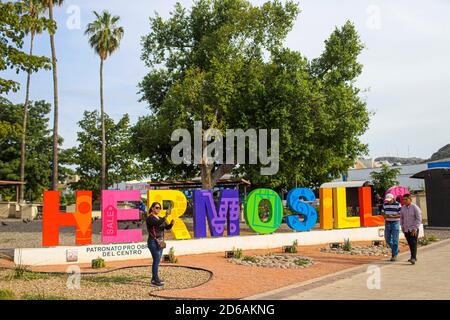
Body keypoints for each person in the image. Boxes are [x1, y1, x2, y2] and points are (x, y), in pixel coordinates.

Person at [146, 202, 174, 286]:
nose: (158, 209)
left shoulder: (160, 218)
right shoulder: (150, 218)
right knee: (156, 260)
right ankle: (155, 280)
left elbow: (166, 227)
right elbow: (157, 223)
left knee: (157, 261)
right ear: (152, 208)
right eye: (157, 207)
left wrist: (171, 224)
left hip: (160, 242)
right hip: (153, 241)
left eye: (159, 208)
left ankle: (154, 278)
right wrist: (166, 216)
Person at [400, 194, 422, 265]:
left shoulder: (415, 207)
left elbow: (419, 219)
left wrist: (415, 228)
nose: (404, 201)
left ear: (410, 200)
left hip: (413, 229)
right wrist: (402, 226)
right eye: (403, 200)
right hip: (406, 229)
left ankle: (413, 258)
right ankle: (413, 257)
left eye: (406, 199)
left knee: (413, 243)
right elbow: (401, 218)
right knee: (410, 243)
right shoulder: (403, 208)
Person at [382, 193, 401, 261]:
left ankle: (394, 255)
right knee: (387, 239)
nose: (388, 201)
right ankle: (395, 249)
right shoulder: (385, 204)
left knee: (395, 239)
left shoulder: (398, 205)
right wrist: (385, 216)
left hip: (395, 222)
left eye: (390, 200)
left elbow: (401, 214)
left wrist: (393, 216)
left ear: (393, 199)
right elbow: (383, 213)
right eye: (387, 200)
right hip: (387, 222)